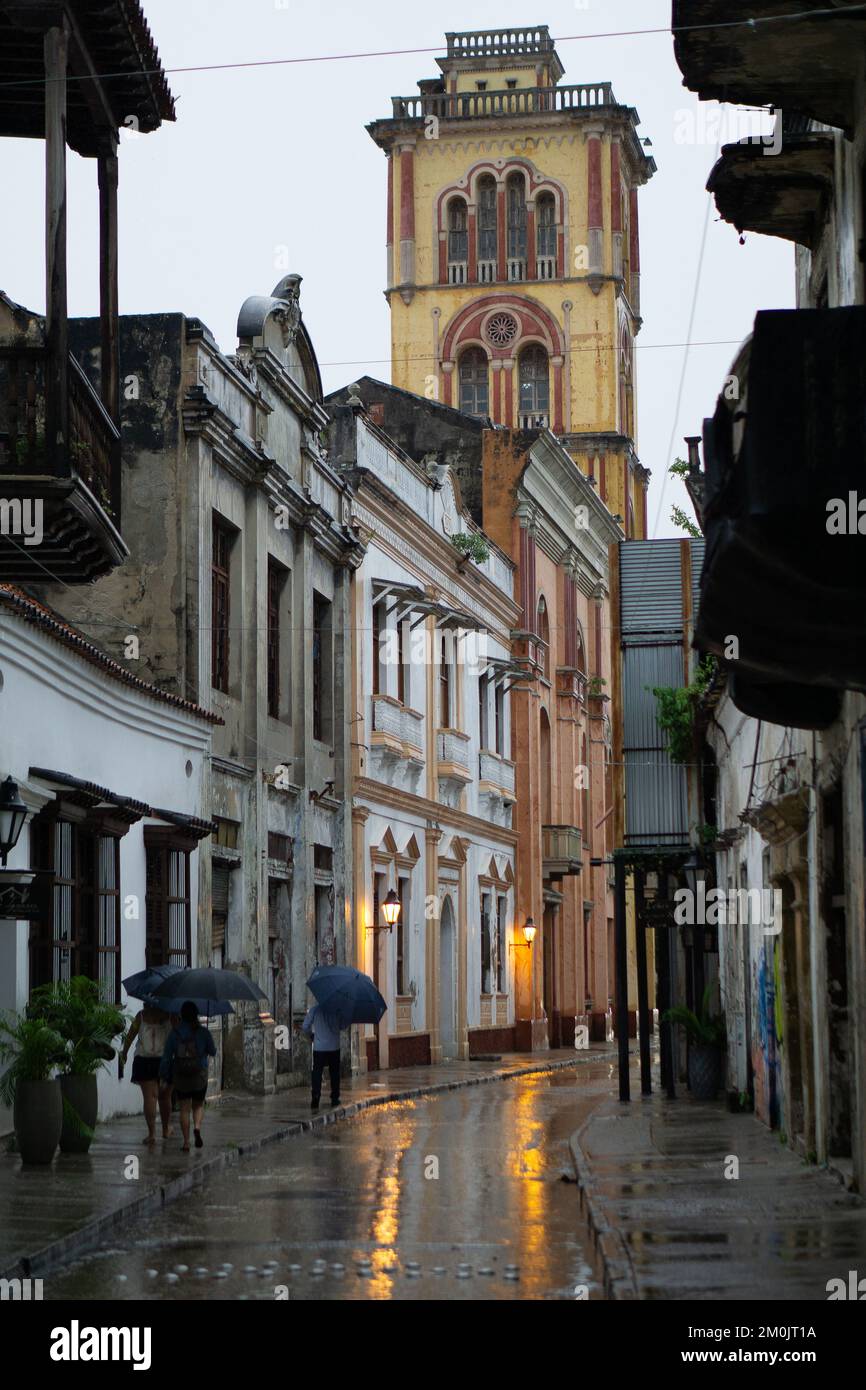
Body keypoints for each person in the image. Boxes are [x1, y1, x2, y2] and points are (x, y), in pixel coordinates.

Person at [160, 1001, 216, 1152]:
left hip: (181, 1075)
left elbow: (166, 1057)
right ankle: (197, 1127)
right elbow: (213, 1051)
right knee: (198, 1105)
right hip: (199, 1074)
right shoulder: (203, 1032)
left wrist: (164, 1076)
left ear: (181, 1015)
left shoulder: (174, 1033)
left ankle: (186, 1142)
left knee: (184, 1109)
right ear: (196, 1015)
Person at [119, 1004, 175, 1145]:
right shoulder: (171, 1016)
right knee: (165, 1097)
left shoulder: (141, 1016)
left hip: (143, 1060)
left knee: (150, 1098)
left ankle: (151, 1134)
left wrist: (124, 1053)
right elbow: (179, 1036)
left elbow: (130, 1035)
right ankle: (166, 1129)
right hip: (165, 1061)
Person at [300, 1004, 342, 1111]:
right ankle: (334, 1097)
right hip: (334, 1046)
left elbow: (305, 1026)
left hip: (319, 1047)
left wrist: (312, 1035)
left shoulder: (315, 1010)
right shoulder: (337, 1010)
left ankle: (316, 1095)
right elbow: (343, 1026)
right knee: (334, 1072)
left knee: (317, 1072)